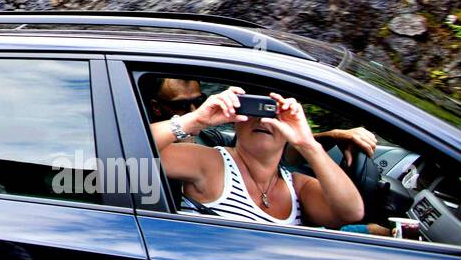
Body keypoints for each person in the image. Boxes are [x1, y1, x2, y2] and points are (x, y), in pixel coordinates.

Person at [158, 89, 364, 228]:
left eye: (275, 113)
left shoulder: (298, 187)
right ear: (235, 121)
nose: (263, 120)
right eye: (253, 108)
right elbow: (129, 148)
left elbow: (351, 212)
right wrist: (196, 120)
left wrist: (308, 143)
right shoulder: (210, 163)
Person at [146, 77, 378, 164]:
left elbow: (272, 152)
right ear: (156, 108)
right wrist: (194, 121)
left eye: (199, 101)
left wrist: (332, 136)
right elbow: (129, 147)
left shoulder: (211, 138)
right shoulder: (136, 143)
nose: (195, 109)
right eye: (181, 105)